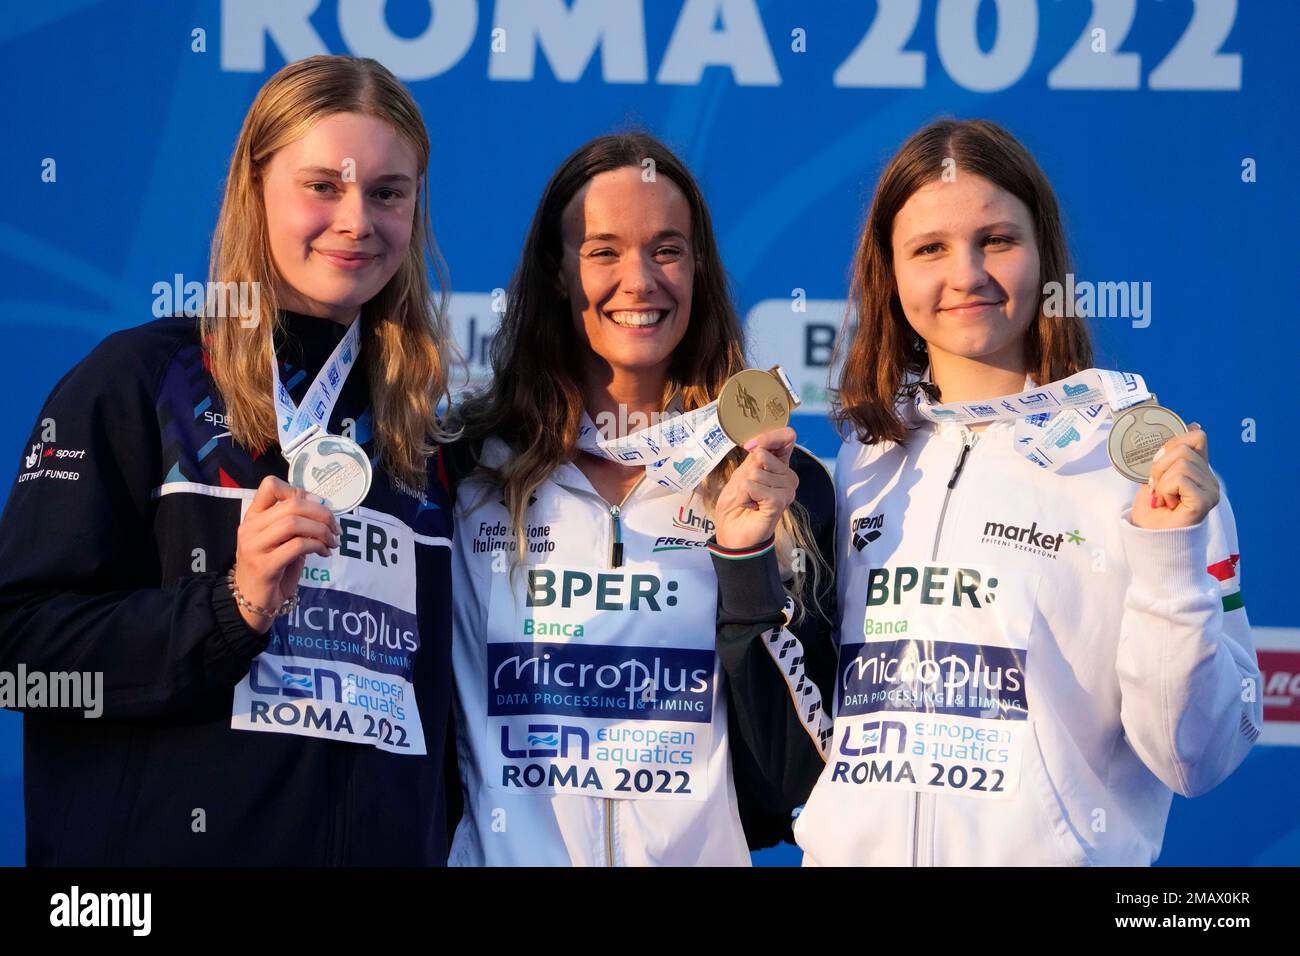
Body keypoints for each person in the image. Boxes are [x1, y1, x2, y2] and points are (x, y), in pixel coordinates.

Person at [0, 55, 460, 865]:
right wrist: (230, 609)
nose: (357, 220)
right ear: (255, 188)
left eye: (388, 192)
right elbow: (20, 649)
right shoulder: (142, 381)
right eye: (323, 186)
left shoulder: (421, 436)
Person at [795, 118, 1261, 866]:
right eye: (929, 249)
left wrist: (1171, 560)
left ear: (1045, 254)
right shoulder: (860, 461)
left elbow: (1198, 756)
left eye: (997, 240)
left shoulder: (1142, 463)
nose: (967, 273)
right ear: (890, 271)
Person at [446, 132, 836, 866]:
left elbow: (799, 772)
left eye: (666, 249)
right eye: (603, 251)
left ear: (698, 269)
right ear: (557, 273)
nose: (639, 281)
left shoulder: (781, 481)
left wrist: (744, 561)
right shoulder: (465, 470)